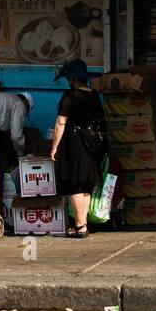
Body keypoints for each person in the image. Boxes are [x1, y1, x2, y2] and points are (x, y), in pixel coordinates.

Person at [50, 59, 107, 238]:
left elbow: (60, 122)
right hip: (92, 145)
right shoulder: (95, 95)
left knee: (74, 184)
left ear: (72, 79)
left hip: (74, 144)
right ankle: (83, 224)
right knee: (86, 184)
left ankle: (80, 225)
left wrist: (54, 147)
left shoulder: (69, 96)